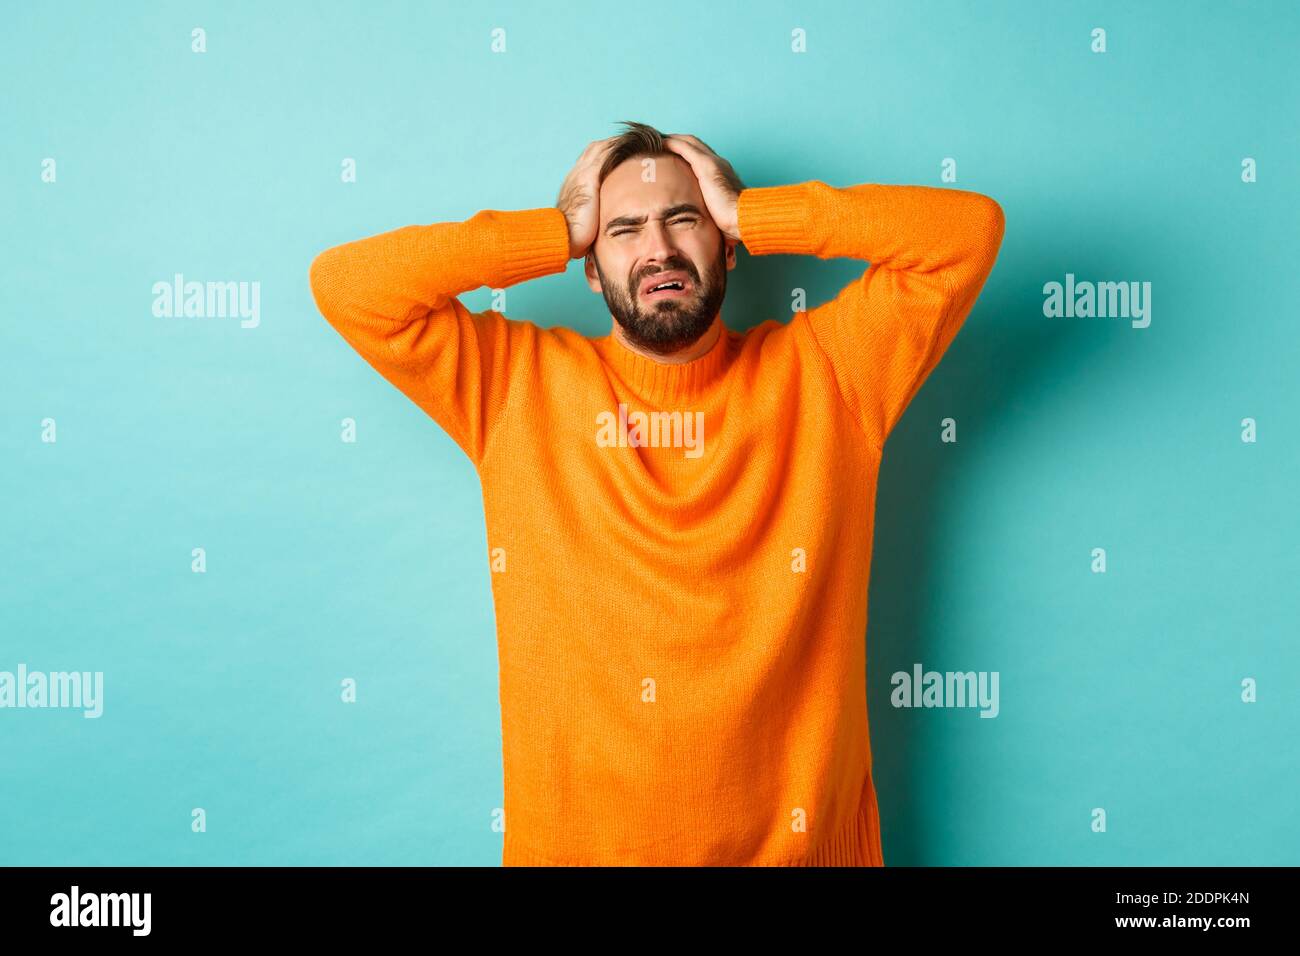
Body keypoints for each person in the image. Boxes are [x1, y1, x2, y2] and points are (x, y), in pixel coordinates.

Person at [308, 120, 1005, 866]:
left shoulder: (831, 373)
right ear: (589, 266)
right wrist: (553, 229)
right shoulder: (513, 385)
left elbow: (968, 233)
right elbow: (348, 286)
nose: (659, 250)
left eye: (685, 219)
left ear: (727, 245)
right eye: (623, 230)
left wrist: (755, 211)